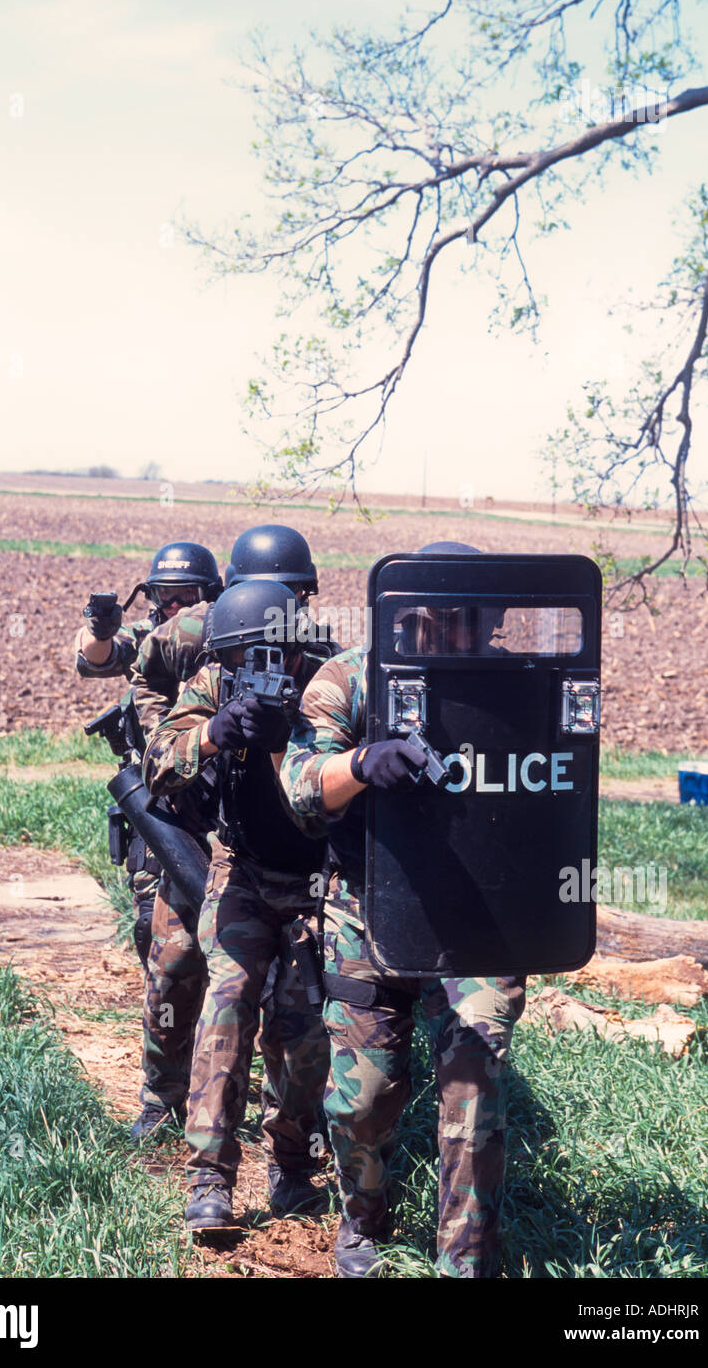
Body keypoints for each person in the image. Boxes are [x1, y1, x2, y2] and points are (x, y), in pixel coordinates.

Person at [277, 542, 527, 1278]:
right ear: (412, 613)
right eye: (444, 618)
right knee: (363, 1100)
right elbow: (298, 785)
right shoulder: (351, 677)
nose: (459, 632)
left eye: (475, 620)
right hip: (370, 909)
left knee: (474, 1080)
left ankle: (465, 1259)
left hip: (481, 917)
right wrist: (360, 764)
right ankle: (364, 1216)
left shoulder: (516, 684)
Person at [142, 575, 339, 1227]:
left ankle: (292, 1164)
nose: (257, 669)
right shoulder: (215, 684)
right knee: (226, 1011)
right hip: (245, 867)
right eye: (239, 658)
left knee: (306, 1035)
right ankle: (210, 1179)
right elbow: (157, 764)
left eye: (269, 655)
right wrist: (213, 733)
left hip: (319, 878)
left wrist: (291, 736)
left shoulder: (332, 682)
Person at [75, 542, 222, 1142]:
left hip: (227, 812)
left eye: (187, 595)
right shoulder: (150, 639)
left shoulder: (229, 635)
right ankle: (163, 1097)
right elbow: (93, 658)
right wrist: (100, 628)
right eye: (165, 595)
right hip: (164, 812)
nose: (176, 604)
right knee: (161, 949)